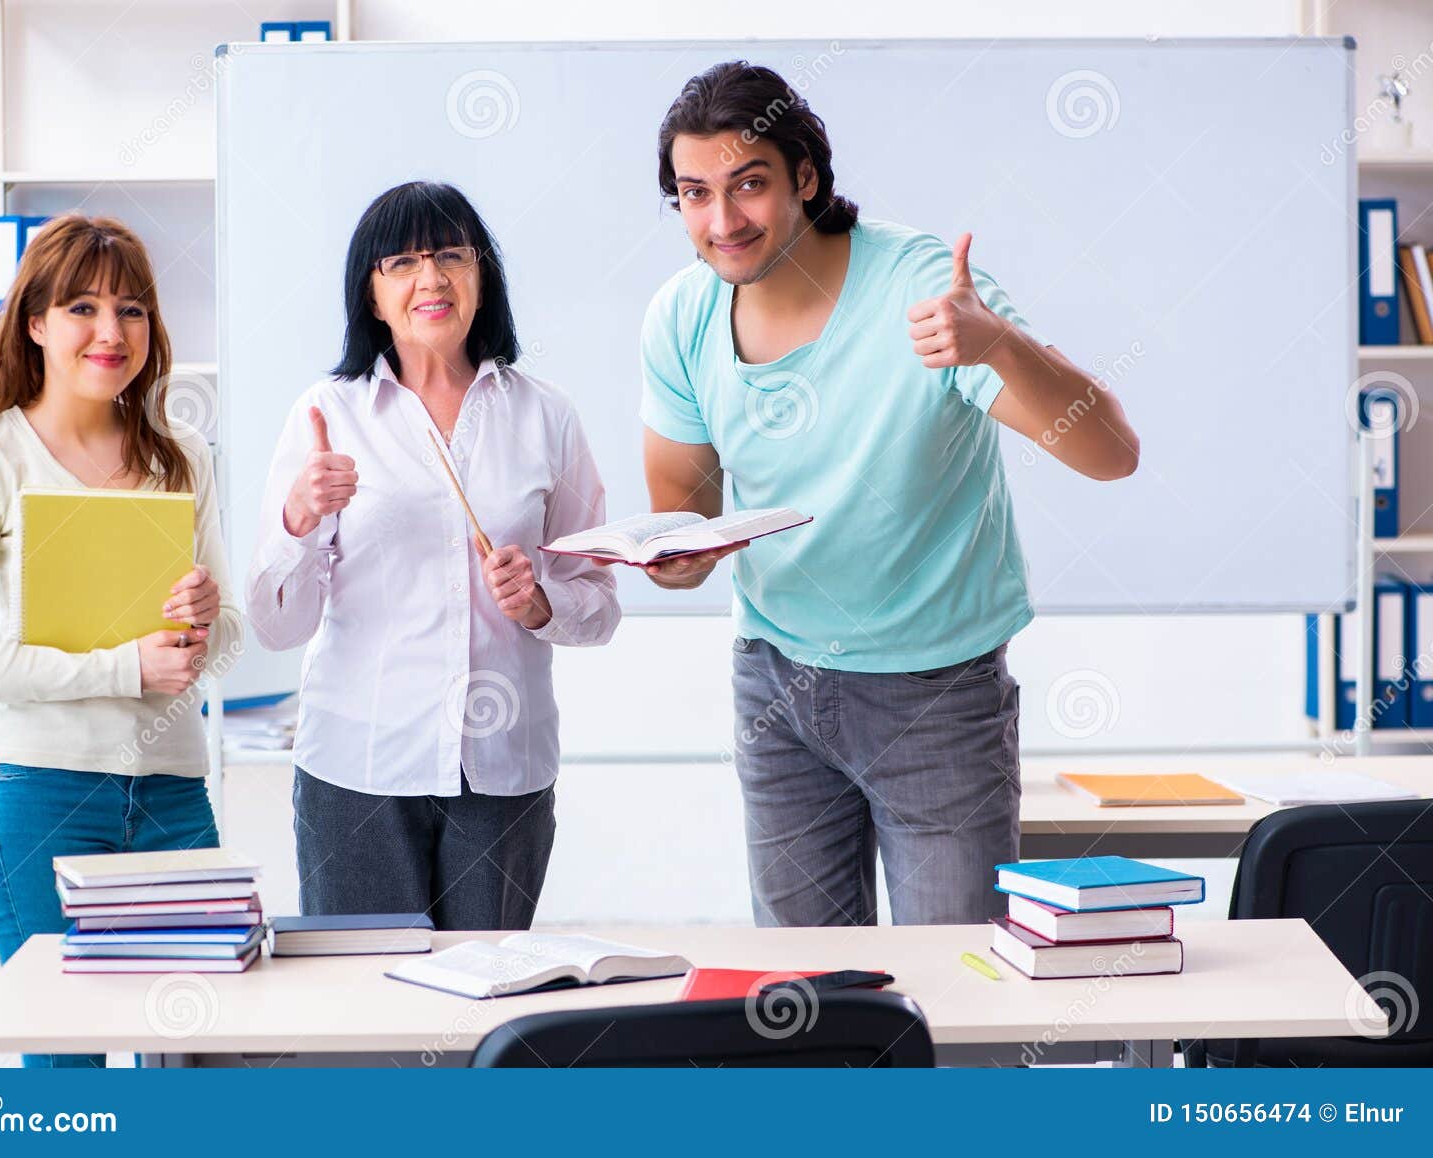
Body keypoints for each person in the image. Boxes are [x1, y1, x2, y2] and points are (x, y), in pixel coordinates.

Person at [635, 62, 1140, 927]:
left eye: (748, 185)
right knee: (811, 1014)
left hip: (935, 694)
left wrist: (1001, 347)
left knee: (964, 998)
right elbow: (685, 505)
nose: (721, 221)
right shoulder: (681, 317)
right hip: (777, 687)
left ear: (805, 177)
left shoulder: (922, 290)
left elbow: (1110, 454)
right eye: (694, 193)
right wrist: (674, 559)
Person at [247, 181, 620, 930]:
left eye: (452, 255)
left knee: (484, 1011)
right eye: (402, 263)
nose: (432, 279)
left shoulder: (546, 414)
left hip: (503, 766)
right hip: (359, 768)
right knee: (361, 1014)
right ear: (372, 296)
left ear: (483, 277)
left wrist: (541, 602)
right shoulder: (327, 414)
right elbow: (276, 626)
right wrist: (300, 517)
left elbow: (600, 606)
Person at [0, 214, 241, 1066]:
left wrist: (206, 624)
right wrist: (123, 665)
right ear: (35, 322)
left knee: (193, 1060)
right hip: (39, 798)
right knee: (68, 1072)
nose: (111, 332)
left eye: (132, 310)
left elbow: (233, 639)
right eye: (83, 308)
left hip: (172, 798)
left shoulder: (185, 457)